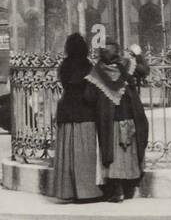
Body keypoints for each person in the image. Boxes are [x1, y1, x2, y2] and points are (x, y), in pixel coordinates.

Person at [86, 41, 151, 202]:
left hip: (108, 120)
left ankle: (117, 190)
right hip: (129, 117)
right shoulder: (127, 65)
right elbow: (144, 71)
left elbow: (88, 97)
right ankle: (129, 187)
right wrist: (138, 54)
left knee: (111, 152)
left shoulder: (97, 72)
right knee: (128, 150)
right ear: (117, 54)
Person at [48, 33, 102, 202]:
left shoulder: (64, 65)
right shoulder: (87, 65)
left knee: (67, 153)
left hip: (66, 109)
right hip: (84, 111)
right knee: (84, 154)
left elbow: (66, 83)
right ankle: (86, 191)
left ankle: (67, 190)